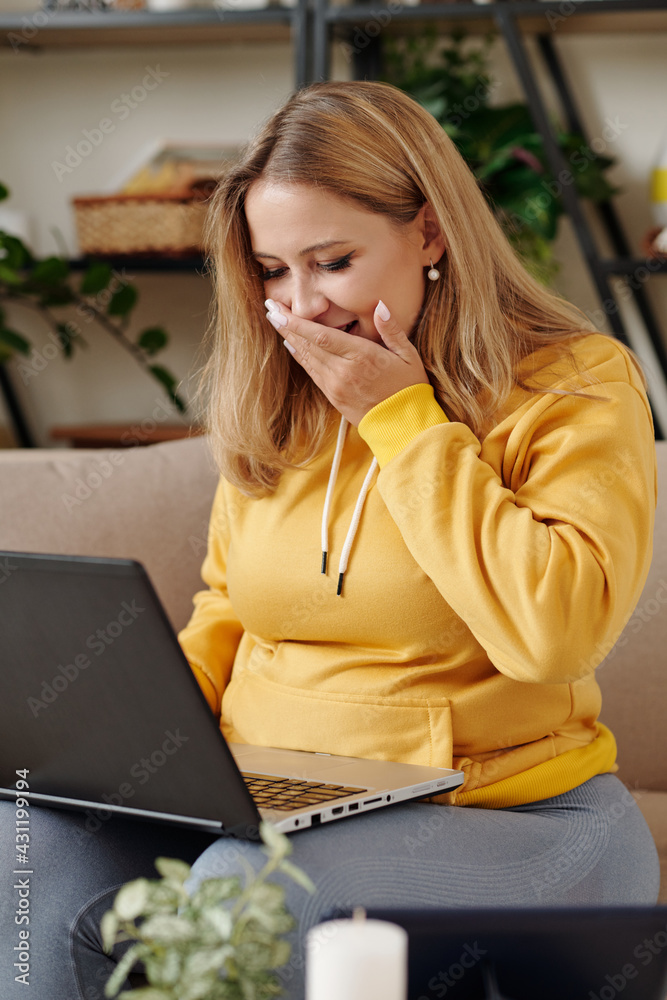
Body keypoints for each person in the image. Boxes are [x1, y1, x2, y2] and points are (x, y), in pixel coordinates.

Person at [0, 79, 660, 1000]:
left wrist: (401, 417)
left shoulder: (577, 386)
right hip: (270, 796)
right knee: (26, 840)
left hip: (507, 815)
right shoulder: (284, 393)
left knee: (244, 894)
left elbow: (553, 633)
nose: (299, 306)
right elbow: (230, 612)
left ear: (428, 233)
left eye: (331, 261)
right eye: (273, 271)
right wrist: (120, 742)